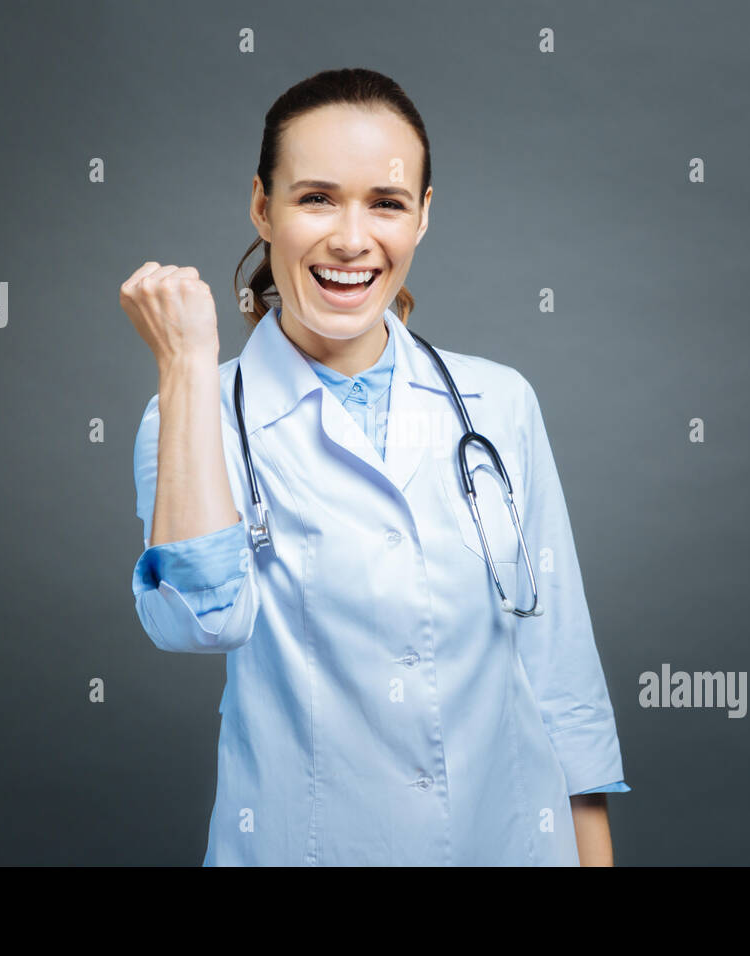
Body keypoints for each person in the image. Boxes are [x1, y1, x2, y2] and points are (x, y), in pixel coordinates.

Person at [121, 68, 630, 866]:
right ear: (263, 206)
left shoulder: (497, 404)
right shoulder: (195, 413)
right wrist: (186, 364)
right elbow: (200, 620)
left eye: (386, 203)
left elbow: (560, 677)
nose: (352, 239)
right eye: (316, 198)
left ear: (423, 217)